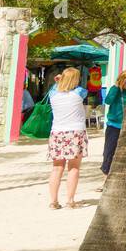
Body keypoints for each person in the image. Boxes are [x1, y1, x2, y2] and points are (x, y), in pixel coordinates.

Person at [46, 67, 88, 209]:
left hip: (57, 132)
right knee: (74, 167)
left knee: (57, 168)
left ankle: (53, 201)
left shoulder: (53, 94)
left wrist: (58, 82)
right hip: (75, 132)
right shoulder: (80, 93)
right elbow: (81, 90)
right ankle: (70, 200)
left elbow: (56, 88)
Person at [100, 69, 126, 182]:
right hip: (114, 126)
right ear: (122, 81)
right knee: (109, 151)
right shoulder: (115, 90)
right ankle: (105, 178)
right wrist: (116, 88)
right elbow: (108, 101)